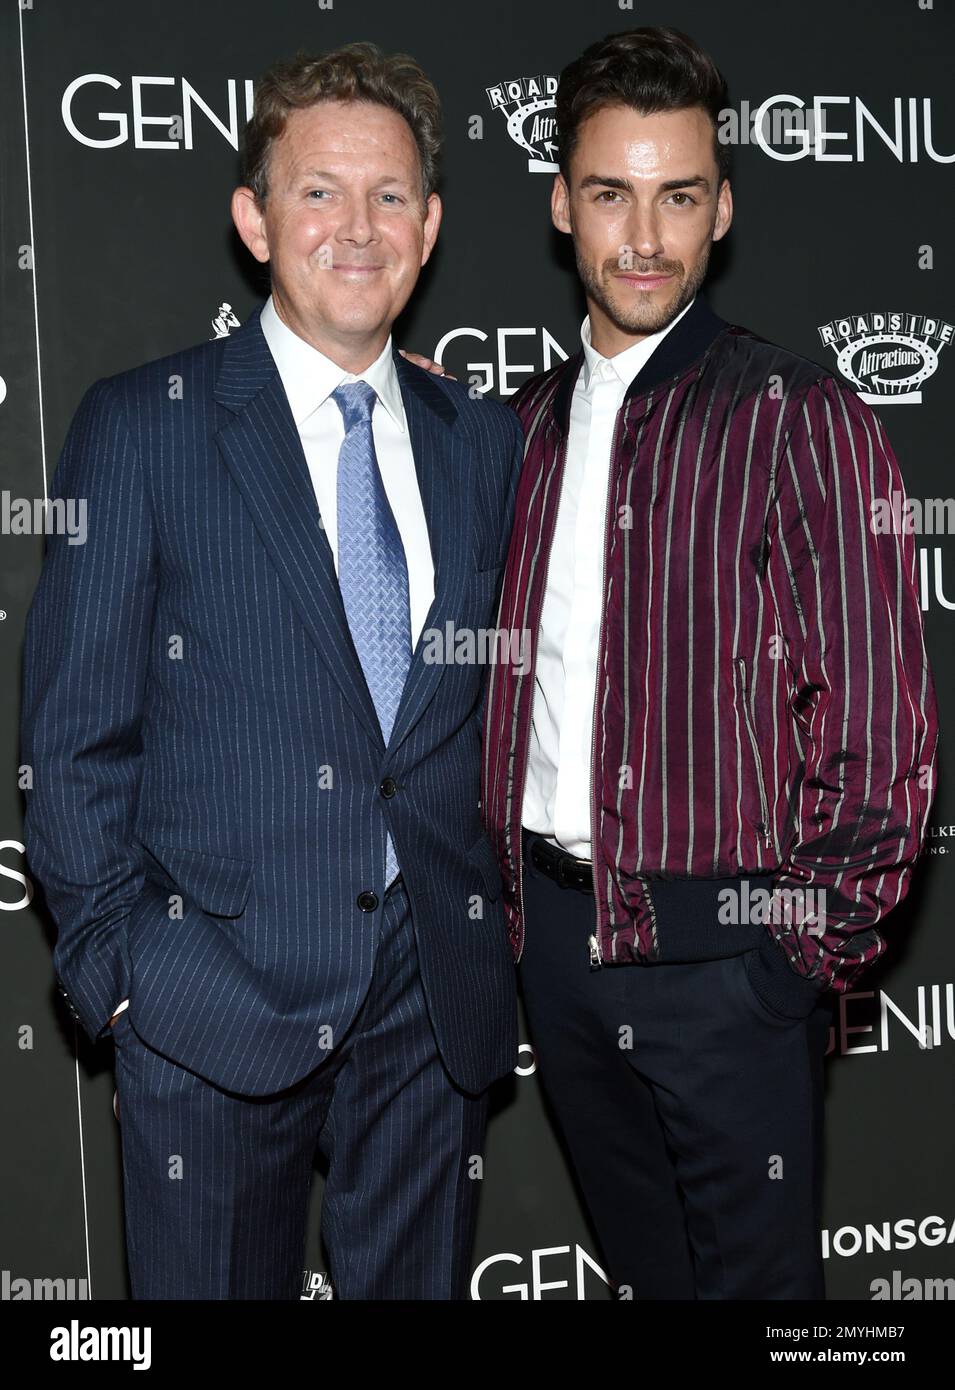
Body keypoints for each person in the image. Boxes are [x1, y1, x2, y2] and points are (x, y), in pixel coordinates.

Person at [21, 41, 523, 1301]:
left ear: (432, 223)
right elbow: (75, 734)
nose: (357, 228)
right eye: (318, 192)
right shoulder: (145, 425)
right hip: (207, 1010)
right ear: (254, 219)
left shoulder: (485, 444)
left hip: (429, 1013)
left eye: (390, 195)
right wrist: (123, 981)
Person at [480, 26, 939, 1299]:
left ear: (721, 208)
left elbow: (881, 736)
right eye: (612, 194)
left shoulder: (798, 417)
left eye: (677, 197)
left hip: (729, 973)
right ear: (561, 203)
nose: (643, 236)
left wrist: (787, 966)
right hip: (558, 960)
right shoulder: (516, 432)